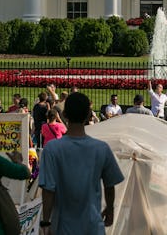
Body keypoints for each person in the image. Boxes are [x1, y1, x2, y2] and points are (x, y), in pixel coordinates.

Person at [39, 92, 124, 234]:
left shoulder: (51, 149)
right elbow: (110, 186)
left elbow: (48, 190)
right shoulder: (101, 148)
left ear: (64, 114)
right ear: (88, 115)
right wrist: (110, 210)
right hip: (93, 226)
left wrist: (46, 222)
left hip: (62, 227)